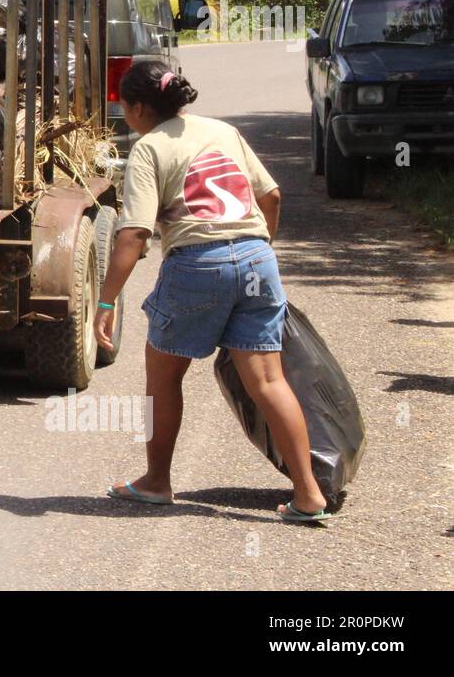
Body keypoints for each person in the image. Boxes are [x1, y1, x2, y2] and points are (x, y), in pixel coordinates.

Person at [93, 59, 330, 522]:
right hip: (257, 258)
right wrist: (257, 247)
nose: (124, 117)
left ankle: (157, 482)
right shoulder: (222, 131)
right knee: (267, 381)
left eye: (124, 108)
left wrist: (105, 301)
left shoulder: (148, 149)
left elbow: (134, 233)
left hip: (198, 262)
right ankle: (308, 495)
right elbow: (272, 197)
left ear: (139, 108)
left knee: (163, 378)